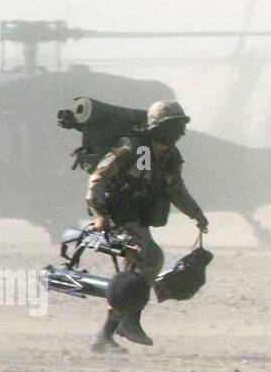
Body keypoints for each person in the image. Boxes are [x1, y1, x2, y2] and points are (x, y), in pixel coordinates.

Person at [85, 100, 208, 353]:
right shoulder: (132, 147)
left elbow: (176, 188)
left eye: (181, 126)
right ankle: (128, 322)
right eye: (174, 126)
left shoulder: (170, 156)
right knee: (150, 257)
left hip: (138, 218)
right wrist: (100, 215)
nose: (180, 132)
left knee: (138, 273)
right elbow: (99, 177)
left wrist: (195, 213)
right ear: (158, 127)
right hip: (118, 217)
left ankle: (106, 336)